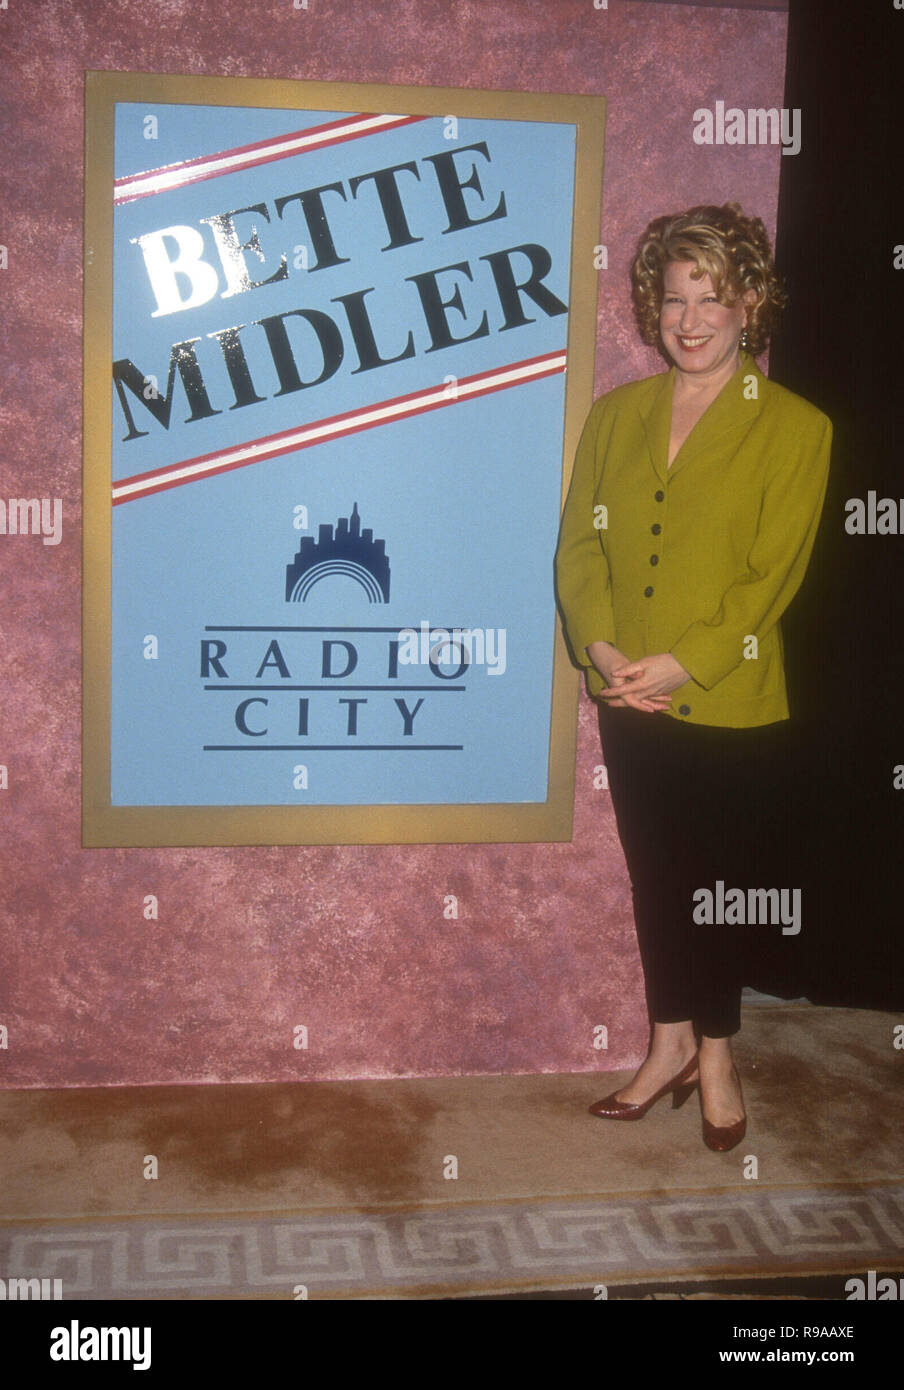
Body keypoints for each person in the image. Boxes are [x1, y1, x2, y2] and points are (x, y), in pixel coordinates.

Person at [555, 202, 832, 1151]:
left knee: (714, 886)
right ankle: (668, 1042)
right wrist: (604, 655)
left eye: (712, 297)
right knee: (659, 880)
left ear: (751, 300)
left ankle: (717, 1053)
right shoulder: (615, 415)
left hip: (729, 697)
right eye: (674, 297)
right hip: (628, 693)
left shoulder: (797, 428)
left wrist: (680, 663)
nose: (690, 318)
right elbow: (579, 549)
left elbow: (772, 576)